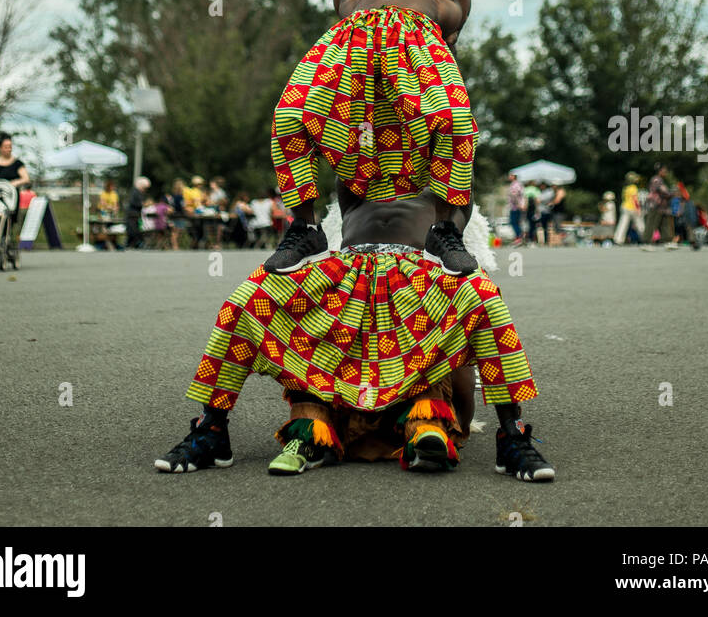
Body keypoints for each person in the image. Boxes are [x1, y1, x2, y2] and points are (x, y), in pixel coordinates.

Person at [155, 182, 553, 483]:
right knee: (244, 302)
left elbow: (457, 209)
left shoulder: (441, 165)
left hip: (415, 278)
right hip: (348, 275)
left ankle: (512, 436)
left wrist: (463, 400)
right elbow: (325, 146)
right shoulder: (354, 163)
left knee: (486, 300)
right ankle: (212, 430)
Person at [264, 0, 478, 277]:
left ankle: (447, 232)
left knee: (456, 121)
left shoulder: (447, 4)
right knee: (288, 118)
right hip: (351, 53)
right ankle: (304, 227)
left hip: (412, 51)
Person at [642, 164, 674, 249]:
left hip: (662, 206)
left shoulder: (661, 180)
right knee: (652, 224)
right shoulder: (656, 179)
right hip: (655, 205)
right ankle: (646, 242)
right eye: (664, 171)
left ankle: (668, 241)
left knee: (665, 224)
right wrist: (671, 193)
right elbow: (662, 191)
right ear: (660, 171)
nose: (666, 172)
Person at [614, 172, 645, 245]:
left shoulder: (625, 188)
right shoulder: (634, 188)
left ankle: (618, 239)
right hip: (632, 208)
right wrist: (638, 208)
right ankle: (645, 238)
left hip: (624, 207)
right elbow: (635, 199)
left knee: (623, 224)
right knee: (639, 224)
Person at [125, 176, 150, 249]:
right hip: (132, 215)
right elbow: (134, 203)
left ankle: (132, 245)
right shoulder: (135, 192)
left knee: (136, 231)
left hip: (136, 214)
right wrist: (143, 204)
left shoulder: (138, 192)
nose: (145, 190)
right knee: (133, 231)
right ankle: (130, 245)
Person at [168, 179, 191, 251]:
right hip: (179, 215)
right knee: (177, 232)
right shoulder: (180, 197)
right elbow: (183, 206)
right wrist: (188, 211)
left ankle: (175, 245)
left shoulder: (172, 196)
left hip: (173, 215)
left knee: (175, 232)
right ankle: (175, 246)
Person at [507, 173, 526, 245]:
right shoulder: (518, 184)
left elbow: (515, 196)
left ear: (514, 177)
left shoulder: (515, 185)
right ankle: (520, 237)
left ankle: (519, 237)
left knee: (513, 222)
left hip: (515, 207)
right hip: (517, 206)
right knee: (518, 222)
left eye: (510, 175)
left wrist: (518, 205)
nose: (509, 177)